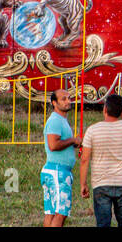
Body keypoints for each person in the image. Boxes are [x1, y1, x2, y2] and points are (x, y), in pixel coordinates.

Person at [79, 93, 122, 226]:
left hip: (101, 183)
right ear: (120, 110)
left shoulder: (93, 130)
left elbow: (85, 159)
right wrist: (120, 110)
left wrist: (83, 184)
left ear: (105, 109)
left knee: (103, 223)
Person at [41, 88, 82, 227]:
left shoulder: (61, 120)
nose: (68, 101)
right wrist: (72, 140)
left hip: (54, 171)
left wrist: (72, 143)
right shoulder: (55, 121)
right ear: (54, 103)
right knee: (61, 213)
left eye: (69, 98)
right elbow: (53, 145)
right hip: (58, 172)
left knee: (51, 212)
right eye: (63, 99)